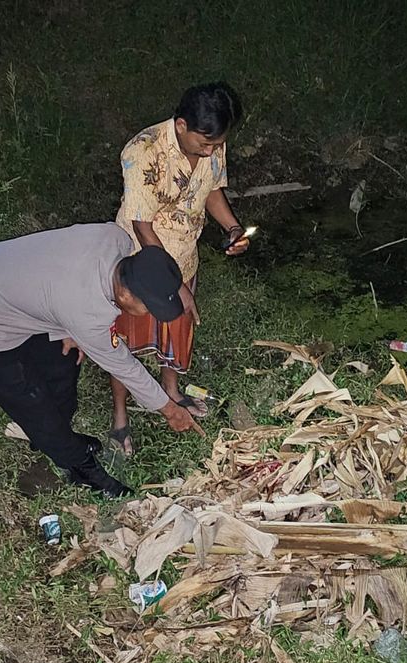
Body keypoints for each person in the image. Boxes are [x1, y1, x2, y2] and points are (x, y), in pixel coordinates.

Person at [0, 222, 204, 498]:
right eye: (148, 308)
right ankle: (79, 466)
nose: (149, 314)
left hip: (6, 278)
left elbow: (64, 280)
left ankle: (56, 434)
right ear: (125, 295)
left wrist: (67, 328)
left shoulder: (116, 239)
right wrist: (170, 410)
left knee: (64, 363)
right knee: (32, 401)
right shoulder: (86, 312)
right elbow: (125, 368)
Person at [109, 82, 251, 456]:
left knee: (176, 330)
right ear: (182, 124)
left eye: (218, 144)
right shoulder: (143, 152)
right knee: (124, 341)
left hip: (184, 256)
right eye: (206, 143)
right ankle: (120, 418)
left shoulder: (212, 144)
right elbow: (142, 226)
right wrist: (176, 286)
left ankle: (170, 392)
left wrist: (233, 227)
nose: (212, 150)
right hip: (140, 263)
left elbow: (212, 190)